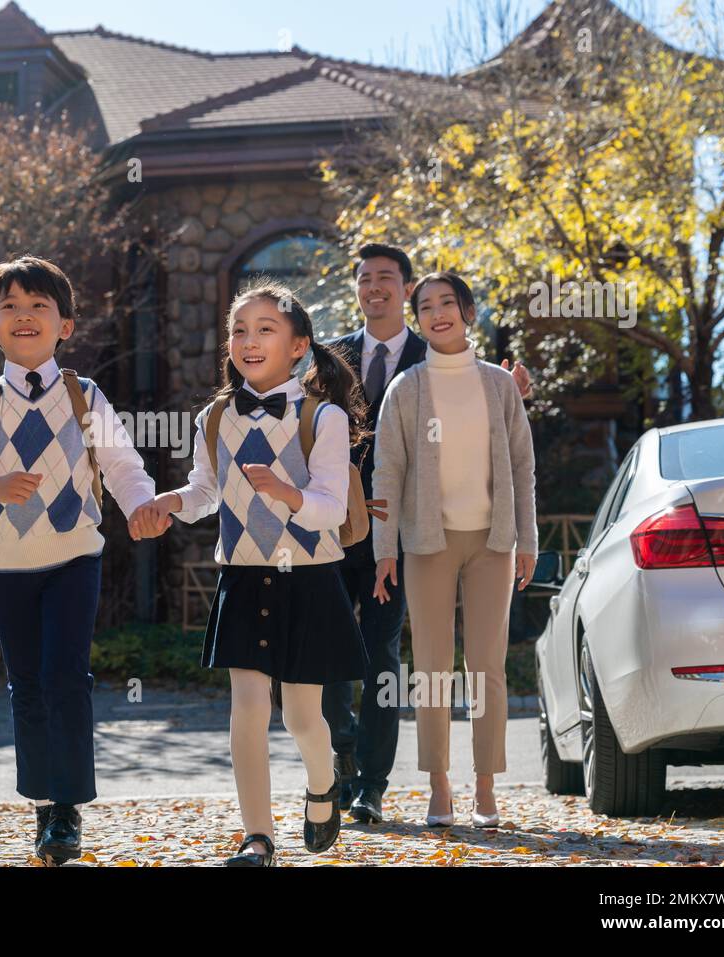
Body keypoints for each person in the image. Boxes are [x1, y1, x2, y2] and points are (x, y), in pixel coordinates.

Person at [134, 280, 370, 865]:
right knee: (247, 705)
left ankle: (323, 787)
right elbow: (205, 492)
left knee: (302, 715)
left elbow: (330, 510)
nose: (248, 340)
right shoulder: (216, 417)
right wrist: (169, 503)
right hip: (242, 573)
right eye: (239, 330)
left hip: (309, 578)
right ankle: (257, 837)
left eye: (265, 328)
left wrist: (288, 493)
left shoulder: (326, 417)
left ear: (299, 346)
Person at [0, 255, 163, 864]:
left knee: (67, 677)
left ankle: (66, 809)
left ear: (65, 324)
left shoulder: (85, 398)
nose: (24, 316)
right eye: (9, 307)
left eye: (39, 306)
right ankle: (41, 803)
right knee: (27, 685)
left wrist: (142, 506)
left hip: (73, 559)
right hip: (8, 565)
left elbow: (121, 466)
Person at [322, 243, 532, 823]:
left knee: (397, 656)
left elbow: (510, 453)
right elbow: (323, 435)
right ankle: (351, 758)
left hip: (432, 533)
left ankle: (375, 784)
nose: (375, 288)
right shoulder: (333, 358)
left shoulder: (460, 367)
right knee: (339, 655)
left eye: (386, 278)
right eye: (365, 279)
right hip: (346, 528)